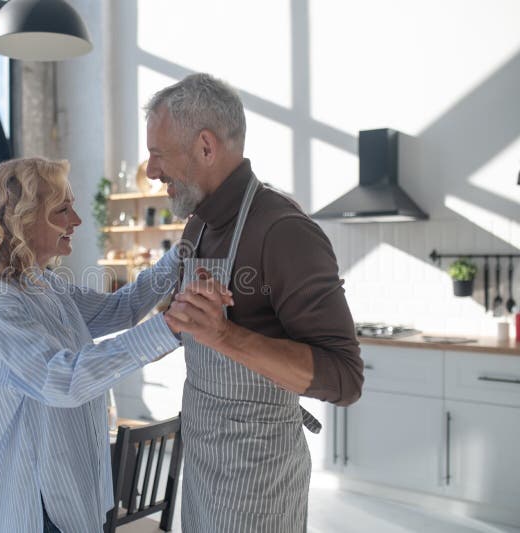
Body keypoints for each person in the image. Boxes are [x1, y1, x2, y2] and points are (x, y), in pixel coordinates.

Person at [145, 73, 364, 532]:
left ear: (206, 147)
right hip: (202, 463)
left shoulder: (284, 231)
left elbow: (344, 378)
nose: (151, 171)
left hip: (258, 479)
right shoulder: (197, 226)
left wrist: (224, 334)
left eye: (158, 155)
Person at [0, 157, 200, 532]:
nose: (76, 220)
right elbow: (62, 379)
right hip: (36, 505)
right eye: (62, 209)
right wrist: (167, 328)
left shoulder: (45, 284)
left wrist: (182, 250)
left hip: (70, 491)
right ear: (23, 220)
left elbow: (120, 309)